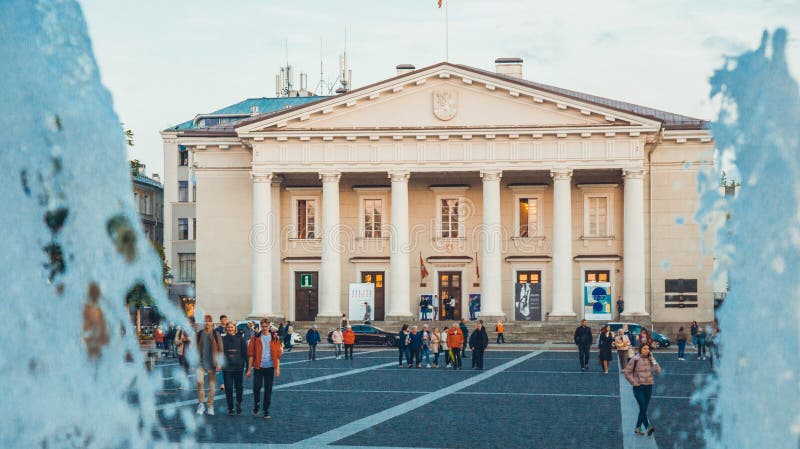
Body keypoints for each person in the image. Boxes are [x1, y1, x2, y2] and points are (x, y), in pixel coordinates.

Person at [623, 344, 661, 436]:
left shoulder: (650, 359)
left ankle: (637, 428)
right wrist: (634, 382)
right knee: (643, 407)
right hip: (638, 387)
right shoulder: (635, 359)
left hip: (649, 386)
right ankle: (648, 427)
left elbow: (658, 371)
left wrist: (653, 360)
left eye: (648, 348)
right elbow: (627, 373)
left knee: (643, 409)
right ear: (640, 350)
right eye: (645, 348)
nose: (647, 350)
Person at [247, 319, 282, 419]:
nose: (265, 328)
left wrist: (277, 368)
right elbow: (251, 354)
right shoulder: (255, 338)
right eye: (263, 326)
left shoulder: (274, 337)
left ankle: (266, 410)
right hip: (258, 366)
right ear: (260, 326)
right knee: (256, 387)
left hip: (270, 367)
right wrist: (249, 369)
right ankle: (256, 404)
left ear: (269, 326)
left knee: (268, 389)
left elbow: (278, 354)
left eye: (266, 326)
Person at [195, 315, 223, 416]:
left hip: (212, 364)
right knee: (199, 383)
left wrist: (219, 362)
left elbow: (220, 349)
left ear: (212, 323)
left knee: (211, 386)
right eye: (205, 321)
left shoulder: (216, 334)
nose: (207, 323)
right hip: (200, 363)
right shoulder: (199, 334)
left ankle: (210, 405)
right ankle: (201, 404)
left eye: (209, 321)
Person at [221, 321, 247, 416]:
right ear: (226, 329)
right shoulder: (223, 339)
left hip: (238, 368)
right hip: (227, 368)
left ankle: (239, 402)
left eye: (232, 327)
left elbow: (245, 353)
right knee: (228, 388)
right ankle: (230, 408)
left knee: (239, 387)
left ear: (235, 328)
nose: (230, 329)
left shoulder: (240, 339)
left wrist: (247, 367)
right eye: (228, 327)